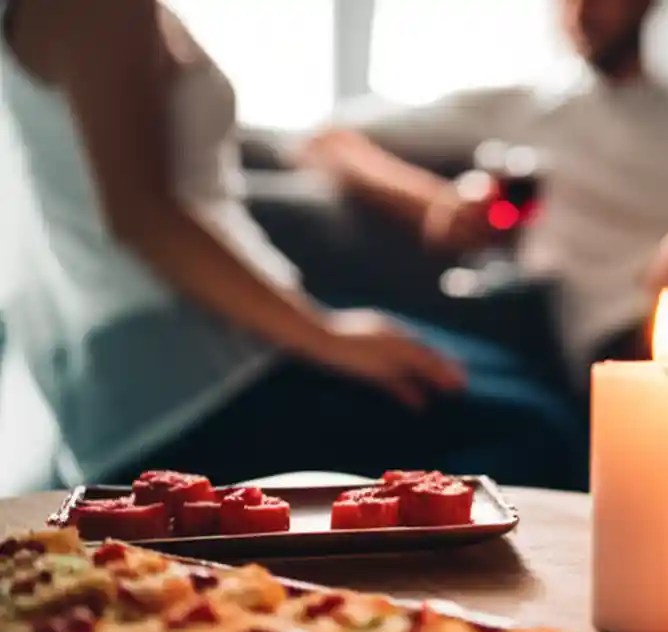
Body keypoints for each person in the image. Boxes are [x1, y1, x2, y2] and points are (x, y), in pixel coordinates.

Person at [0, 0, 584, 489]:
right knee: (529, 426)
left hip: (238, 331)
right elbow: (142, 217)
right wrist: (327, 337)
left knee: (516, 385)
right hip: (188, 377)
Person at [300, 0, 668, 384]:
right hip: (616, 339)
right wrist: (431, 202)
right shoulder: (522, 108)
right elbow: (329, 139)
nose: (580, 9)